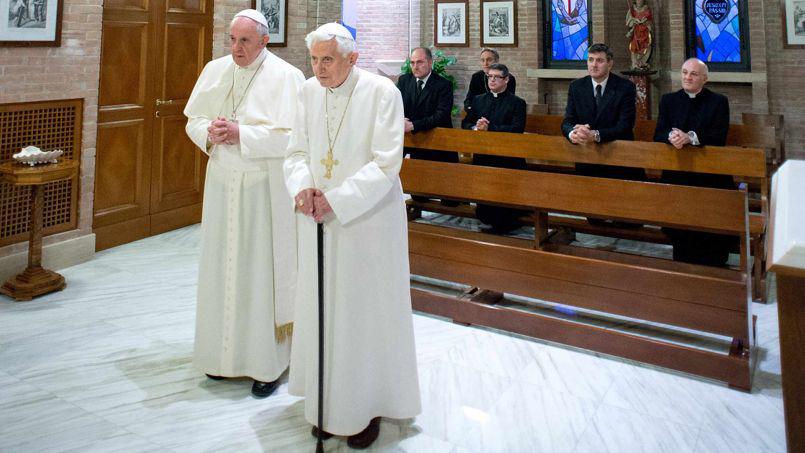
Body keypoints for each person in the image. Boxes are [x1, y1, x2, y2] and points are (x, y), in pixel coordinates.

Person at [284, 22, 421, 449]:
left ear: (353, 58)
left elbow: (385, 164)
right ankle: (326, 402)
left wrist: (338, 200)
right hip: (318, 218)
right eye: (315, 60)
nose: (319, 69)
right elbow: (296, 151)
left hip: (367, 222)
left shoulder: (383, 94)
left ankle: (367, 406)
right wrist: (303, 187)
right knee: (323, 307)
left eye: (328, 60)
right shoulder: (307, 92)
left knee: (362, 315)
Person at [183, 9, 304, 398]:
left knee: (257, 274)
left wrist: (242, 134)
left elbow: (293, 140)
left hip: (261, 189)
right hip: (221, 183)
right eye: (233, 40)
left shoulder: (287, 77)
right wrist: (211, 132)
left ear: (264, 41)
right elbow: (192, 119)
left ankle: (266, 364)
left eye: (245, 41)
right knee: (221, 270)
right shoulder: (216, 69)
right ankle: (222, 358)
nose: (236, 48)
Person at [654, 58, 734, 266]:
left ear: (704, 79)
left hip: (709, 173)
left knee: (710, 216)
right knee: (680, 221)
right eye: (684, 72)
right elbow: (659, 133)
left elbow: (719, 135)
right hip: (678, 172)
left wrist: (691, 138)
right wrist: (672, 137)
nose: (688, 77)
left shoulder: (718, 101)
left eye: (694, 74)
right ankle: (683, 258)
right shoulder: (668, 100)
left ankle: (714, 260)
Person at [462, 63, 527, 233]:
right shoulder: (478, 100)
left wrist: (490, 128)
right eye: (489, 76)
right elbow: (465, 123)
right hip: (484, 154)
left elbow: (517, 128)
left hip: (508, 157)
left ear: (506, 80)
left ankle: (507, 222)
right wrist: (476, 127)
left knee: (505, 197)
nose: (492, 80)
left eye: (496, 77)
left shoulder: (517, 103)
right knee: (485, 199)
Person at [561, 42, 641, 181]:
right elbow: (568, 121)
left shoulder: (625, 87)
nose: (594, 65)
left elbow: (625, 126)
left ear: (610, 64)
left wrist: (596, 135)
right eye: (590, 60)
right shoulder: (576, 87)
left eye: (599, 60)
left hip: (617, 157)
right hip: (586, 157)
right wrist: (572, 133)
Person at [397, 46, 455, 162]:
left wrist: (414, 125)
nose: (415, 67)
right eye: (412, 63)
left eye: (419, 62)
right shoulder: (404, 80)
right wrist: (399, 119)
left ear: (430, 62)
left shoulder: (444, 85)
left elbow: (441, 116)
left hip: (436, 143)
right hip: (410, 142)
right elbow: (395, 106)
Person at [626, 0, 653, 70]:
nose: (639, 2)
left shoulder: (646, 10)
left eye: (641, 0)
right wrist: (633, 21)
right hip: (636, 31)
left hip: (644, 32)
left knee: (645, 46)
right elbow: (628, 23)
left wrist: (645, 21)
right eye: (638, 0)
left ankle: (642, 62)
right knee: (634, 46)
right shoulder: (632, 10)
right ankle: (635, 63)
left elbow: (650, 21)